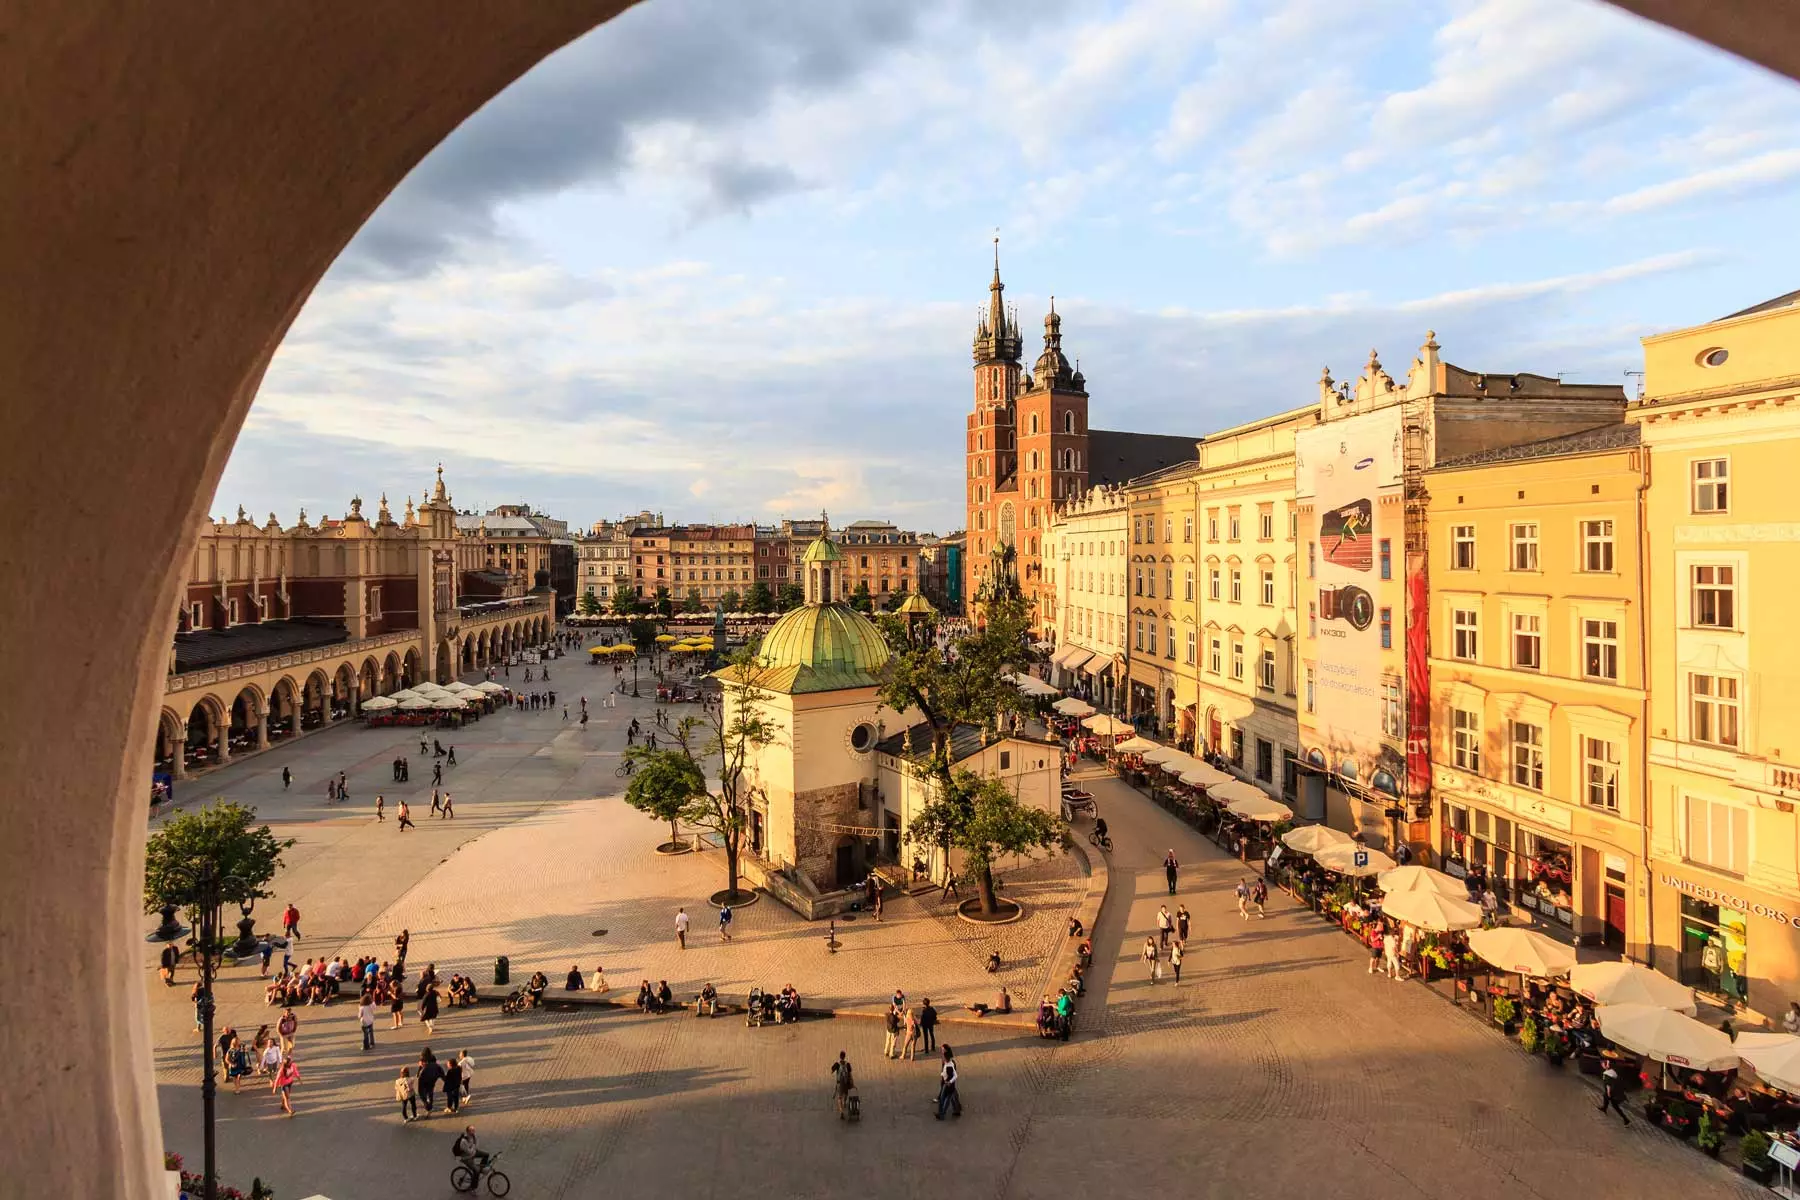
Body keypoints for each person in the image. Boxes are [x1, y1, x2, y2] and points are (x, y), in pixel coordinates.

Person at [935, 1046, 961, 1120]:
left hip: (948, 1084)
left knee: (946, 1099)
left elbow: (954, 1075)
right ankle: (956, 1109)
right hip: (947, 1084)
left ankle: (942, 1114)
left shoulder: (950, 1065)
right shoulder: (947, 1063)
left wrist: (949, 1081)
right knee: (949, 1097)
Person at [831, 1051, 857, 1120]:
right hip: (845, 1083)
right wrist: (853, 1083)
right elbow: (850, 1075)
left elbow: (831, 1071)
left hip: (839, 1084)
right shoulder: (847, 1064)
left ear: (840, 1056)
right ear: (845, 1056)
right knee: (845, 1095)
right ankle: (844, 1102)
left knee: (839, 1097)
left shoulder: (837, 1064)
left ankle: (841, 1111)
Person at [417, 1049, 444, 1116]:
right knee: (430, 1090)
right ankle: (430, 1103)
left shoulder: (422, 1059)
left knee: (423, 1093)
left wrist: (419, 1072)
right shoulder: (433, 1058)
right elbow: (440, 1072)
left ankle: (427, 1105)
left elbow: (420, 1069)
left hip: (424, 1078)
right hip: (432, 1078)